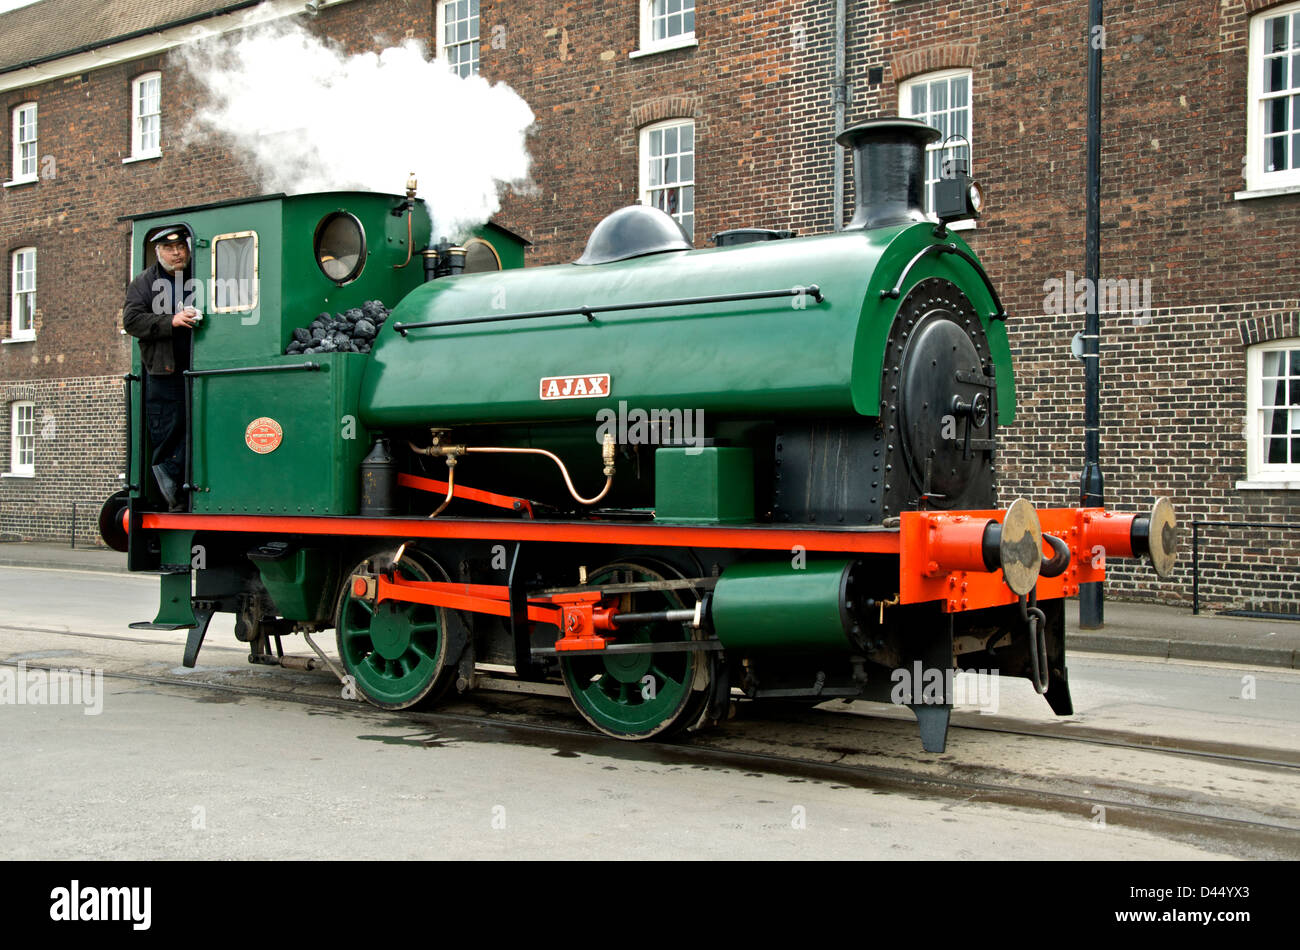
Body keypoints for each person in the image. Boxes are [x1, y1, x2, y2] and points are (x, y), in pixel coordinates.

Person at [122, 227, 201, 511]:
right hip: (163, 370)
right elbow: (132, 321)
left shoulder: (200, 273)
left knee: (199, 425)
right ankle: (173, 496)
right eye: (170, 248)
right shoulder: (143, 283)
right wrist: (171, 321)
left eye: (181, 246)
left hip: (200, 365)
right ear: (158, 252)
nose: (177, 252)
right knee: (170, 429)